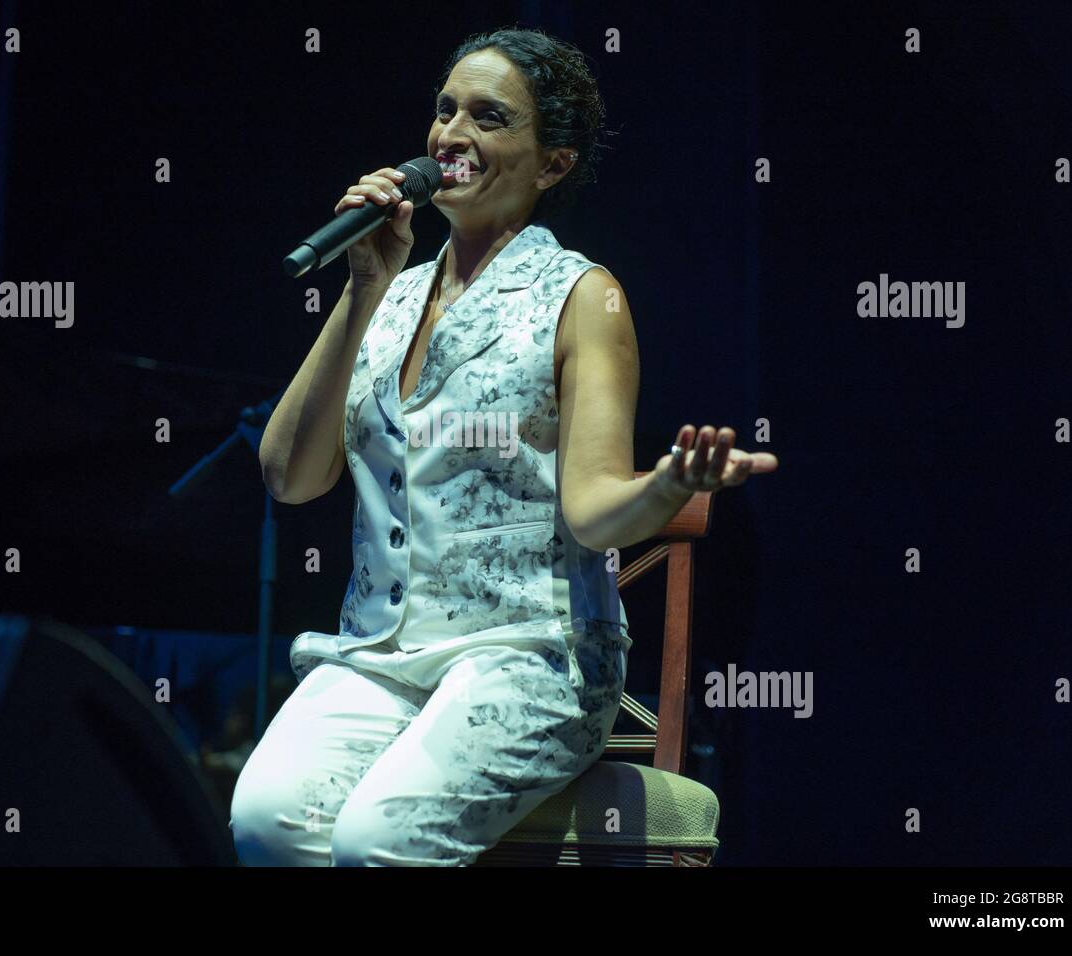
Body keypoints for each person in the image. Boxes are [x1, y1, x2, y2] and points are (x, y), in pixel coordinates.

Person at [230, 27, 778, 866]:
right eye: (445, 111)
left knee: (374, 840)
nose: (452, 135)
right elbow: (289, 477)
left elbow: (594, 512)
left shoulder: (580, 296)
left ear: (551, 164)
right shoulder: (394, 289)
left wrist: (666, 485)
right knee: (267, 824)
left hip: (529, 655)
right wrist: (364, 287)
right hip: (380, 653)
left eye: (488, 118)